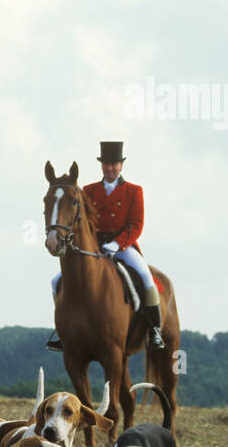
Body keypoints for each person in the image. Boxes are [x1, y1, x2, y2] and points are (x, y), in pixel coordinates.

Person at [48, 141, 167, 352]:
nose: (110, 168)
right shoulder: (88, 190)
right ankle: (62, 330)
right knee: (56, 280)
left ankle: (154, 329)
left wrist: (117, 243)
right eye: (106, 164)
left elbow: (136, 224)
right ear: (101, 166)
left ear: (121, 166)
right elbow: (80, 221)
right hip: (94, 246)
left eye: (114, 164)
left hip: (123, 246)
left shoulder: (133, 191)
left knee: (147, 278)